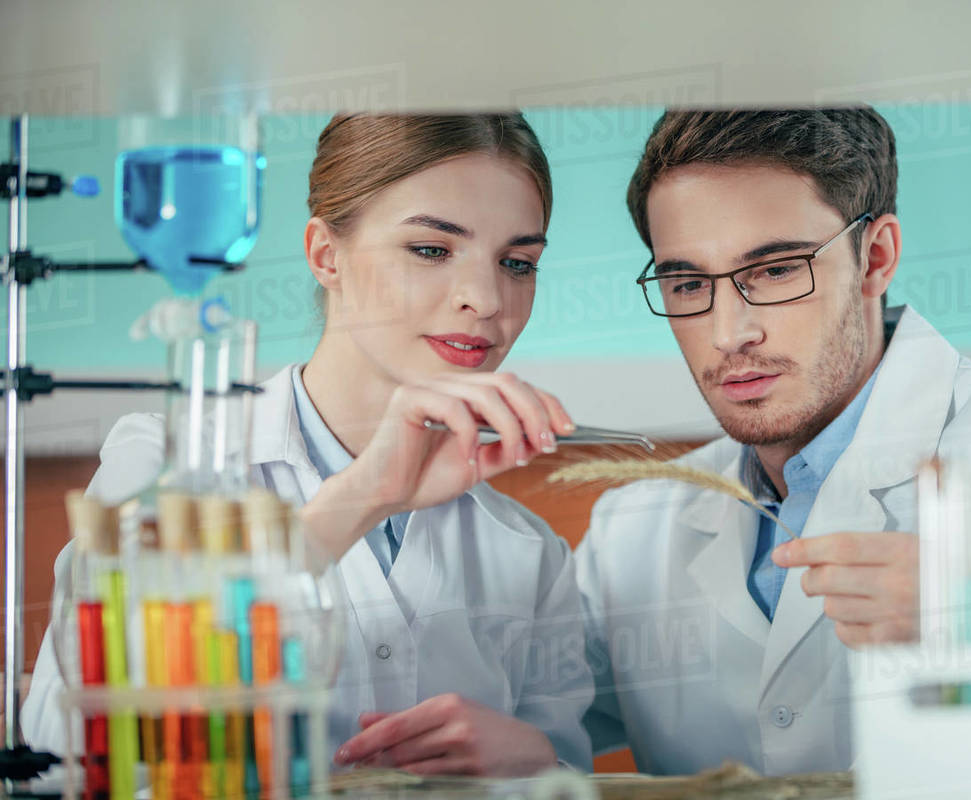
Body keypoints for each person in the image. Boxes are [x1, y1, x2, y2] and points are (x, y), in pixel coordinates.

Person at [25, 112, 593, 775]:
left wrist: (541, 761)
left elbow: (569, 780)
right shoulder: (162, 463)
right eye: (431, 250)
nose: (487, 298)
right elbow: (60, 750)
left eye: (517, 263)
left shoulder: (529, 553)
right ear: (327, 256)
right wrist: (356, 498)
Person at [574, 108, 971, 775]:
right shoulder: (631, 530)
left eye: (777, 269)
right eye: (689, 284)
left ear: (876, 258)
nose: (730, 333)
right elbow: (517, 729)